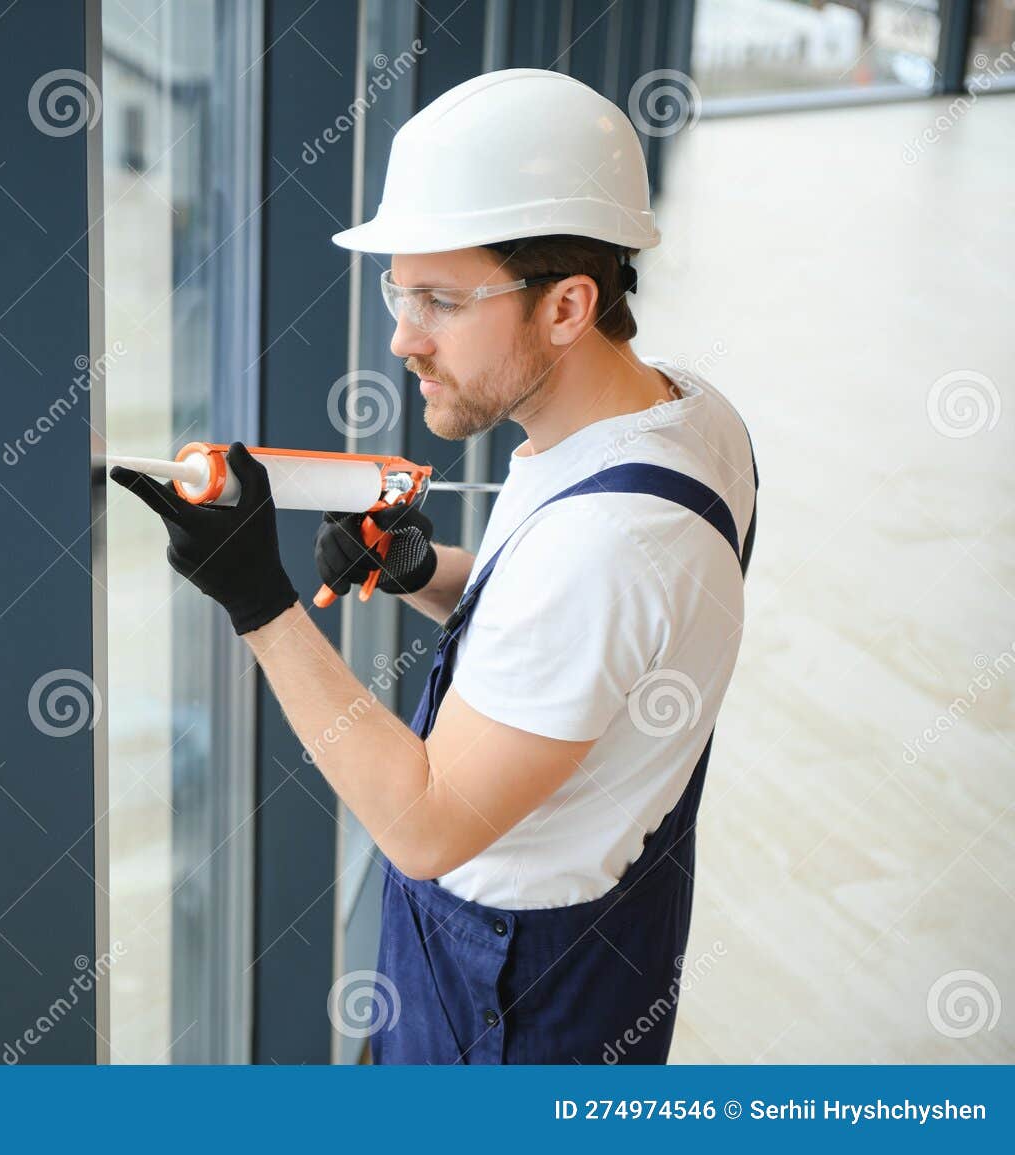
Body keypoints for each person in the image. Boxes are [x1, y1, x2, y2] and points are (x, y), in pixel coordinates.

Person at [110, 68, 758, 1064]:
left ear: (567, 305)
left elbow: (420, 825)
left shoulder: (608, 548)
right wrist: (430, 573)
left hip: (513, 991)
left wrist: (259, 603)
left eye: (443, 302)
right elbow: (587, 656)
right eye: (399, 293)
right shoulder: (681, 412)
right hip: (586, 929)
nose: (403, 340)